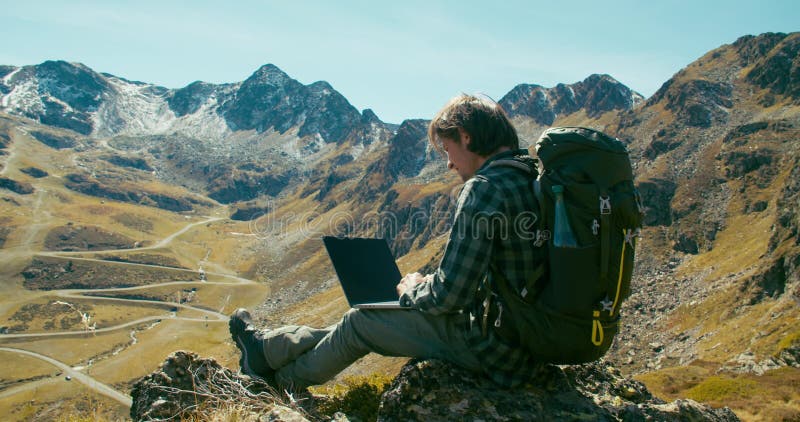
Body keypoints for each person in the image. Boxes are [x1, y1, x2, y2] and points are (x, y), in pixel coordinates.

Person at [229, 94, 542, 390]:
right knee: (370, 320)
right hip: (523, 341)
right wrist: (430, 282)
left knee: (360, 321)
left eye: (447, 149)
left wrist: (412, 289)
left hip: (494, 349)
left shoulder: (484, 188)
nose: (448, 163)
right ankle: (268, 349)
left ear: (465, 136)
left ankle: (278, 382)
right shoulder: (529, 177)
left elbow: (449, 297)